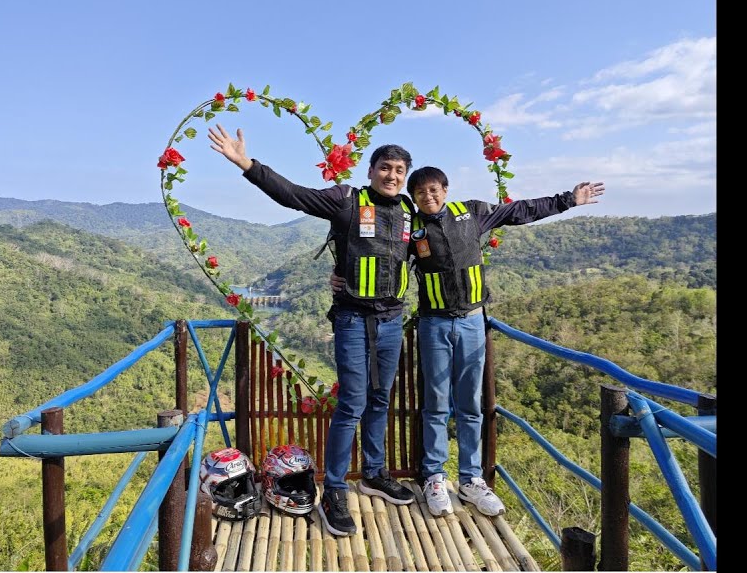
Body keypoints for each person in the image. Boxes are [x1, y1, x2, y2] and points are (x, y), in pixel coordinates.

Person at [208, 124, 418, 537]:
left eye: (399, 170)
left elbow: (446, 245)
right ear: (370, 170)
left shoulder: (410, 211)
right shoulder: (347, 200)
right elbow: (294, 195)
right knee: (353, 402)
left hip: (392, 320)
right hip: (353, 319)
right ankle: (335, 490)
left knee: (380, 398)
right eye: (384, 168)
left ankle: (375, 473)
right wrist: (247, 165)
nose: (391, 176)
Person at [405, 167, 604, 516]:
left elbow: (519, 211)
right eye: (420, 192)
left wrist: (569, 200)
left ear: (445, 190)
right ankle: (434, 477)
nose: (428, 196)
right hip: (433, 324)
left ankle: (470, 480)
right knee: (436, 403)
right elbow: (379, 256)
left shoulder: (471, 214)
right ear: (415, 197)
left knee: (470, 404)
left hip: (471, 322)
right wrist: (340, 276)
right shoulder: (410, 228)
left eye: (434, 189)